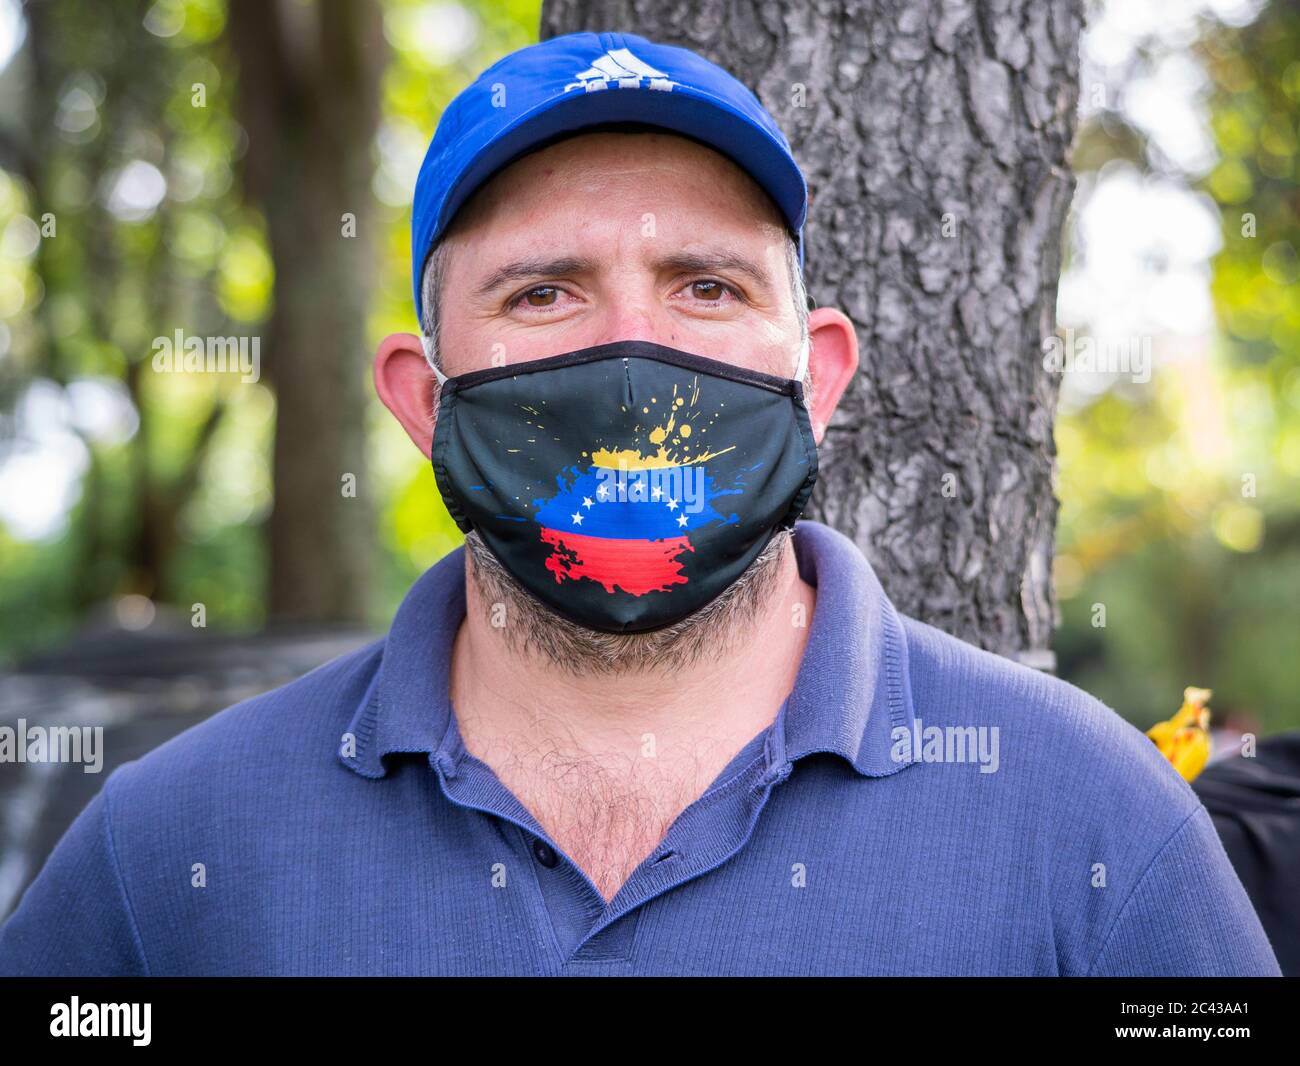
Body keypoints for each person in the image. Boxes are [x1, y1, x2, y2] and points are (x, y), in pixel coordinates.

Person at [0, 30, 1281, 976]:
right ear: (421, 398)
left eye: (706, 288)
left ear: (816, 374)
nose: (631, 359)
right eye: (543, 293)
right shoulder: (171, 847)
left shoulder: (1097, 821)